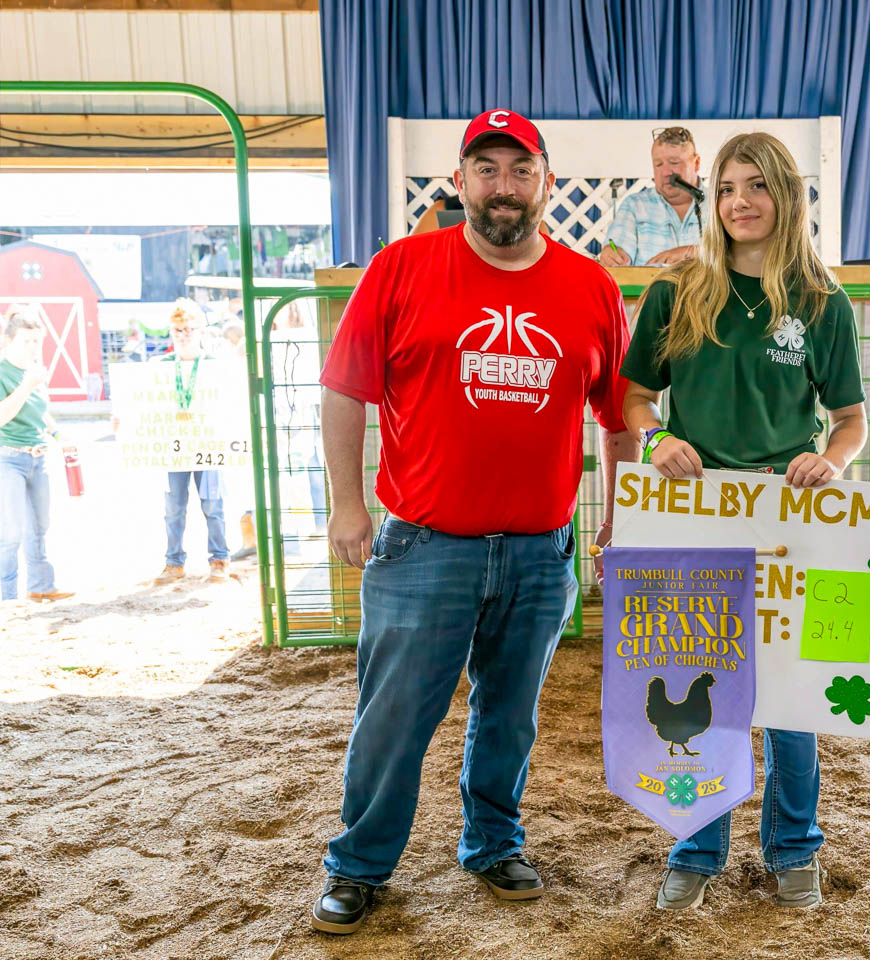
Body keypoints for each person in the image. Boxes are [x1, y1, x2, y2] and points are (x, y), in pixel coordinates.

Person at [312, 108, 637, 935]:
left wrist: (624, 511)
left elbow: (618, 416)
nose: (504, 186)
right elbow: (346, 387)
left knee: (512, 713)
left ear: (547, 184)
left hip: (538, 550)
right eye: (485, 169)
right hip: (425, 545)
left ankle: (492, 841)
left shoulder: (590, 287)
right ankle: (359, 863)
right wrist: (350, 504)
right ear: (460, 183)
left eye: (520, 169)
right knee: (394, 713)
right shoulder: (401, 267)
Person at [621, 132, 868, 911]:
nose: (740, 201)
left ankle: (795, 848)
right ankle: (696, 849)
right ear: (711, 198)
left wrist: (831, 460)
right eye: (727, 187)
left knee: (794, 699)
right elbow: (634, 403)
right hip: (697, 514)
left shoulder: (823, 303)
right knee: (707, 693)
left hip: (790, 517)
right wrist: (659, 440)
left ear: (785, 198)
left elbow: (851, 420)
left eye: (757, 186)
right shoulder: (676, 293)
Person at [152, 301, 230, 585]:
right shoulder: (159, 367)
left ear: (200, 330)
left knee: (213, 503)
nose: (183, 334)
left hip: (208, 445)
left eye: (188, 328)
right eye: (177, 329)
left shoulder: (213, 366)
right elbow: (144, 406)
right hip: (174, 447)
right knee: (173, 506)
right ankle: (174, 563)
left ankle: (219, 559)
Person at [0, 309, 74, 602]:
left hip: (38, 456)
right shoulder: (7, 372)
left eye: (35, 341)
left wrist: (58, 436)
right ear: (8, 340)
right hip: (7, 457)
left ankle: (41, 585)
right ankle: (6, 596)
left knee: (39, 525)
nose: (32, 347)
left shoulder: (36, 372)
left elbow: (41, 411)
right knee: (11, 531)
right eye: (25, 341)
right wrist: (27, 384)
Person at [598, 126, 703, 268]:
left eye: (674, 163)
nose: (666, 172)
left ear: (696, 163)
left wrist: (693, 252)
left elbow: (737, 256)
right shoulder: (635, 206)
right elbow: (618, 248)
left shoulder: (719, 203)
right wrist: (612, 254)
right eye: (658, 164)